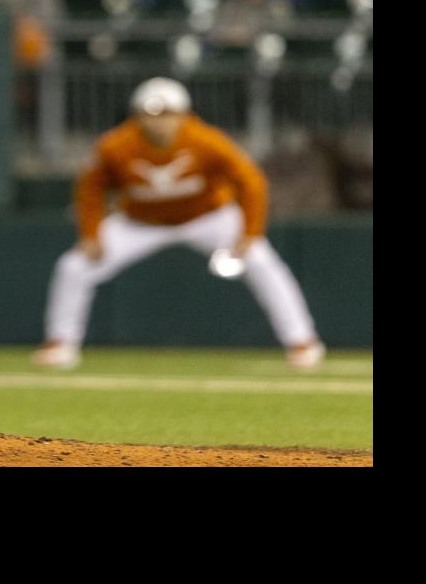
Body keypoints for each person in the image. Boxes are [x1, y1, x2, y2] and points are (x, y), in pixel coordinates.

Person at [33, 77, 325, 371]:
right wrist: (91, 233)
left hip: (207, 217)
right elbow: (89, 189)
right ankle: (60, 343)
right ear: (136, 116)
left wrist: (250, 233)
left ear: (184, 115)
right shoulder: (116, 146)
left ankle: (302, 342)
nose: (159, 122)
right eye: (150, 114)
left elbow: (251, 182)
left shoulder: (205, 141)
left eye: (167, 114)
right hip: (140, 222)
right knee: (74, 265)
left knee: (260, 260)